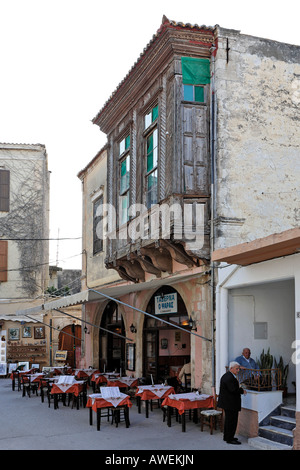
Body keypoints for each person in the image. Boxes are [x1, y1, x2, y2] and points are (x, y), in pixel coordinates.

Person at [217, 361, 247, 445]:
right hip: (230, 403)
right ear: (231, 368)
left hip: (228, 403)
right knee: (232, 421)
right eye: (237, 369)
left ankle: (227, 437)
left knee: (229, 421)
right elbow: (233, 390)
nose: (238, 370)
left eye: (239, 368)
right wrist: (242, 390)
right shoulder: (229, 377)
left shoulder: (228, 376)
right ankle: (230, 439)